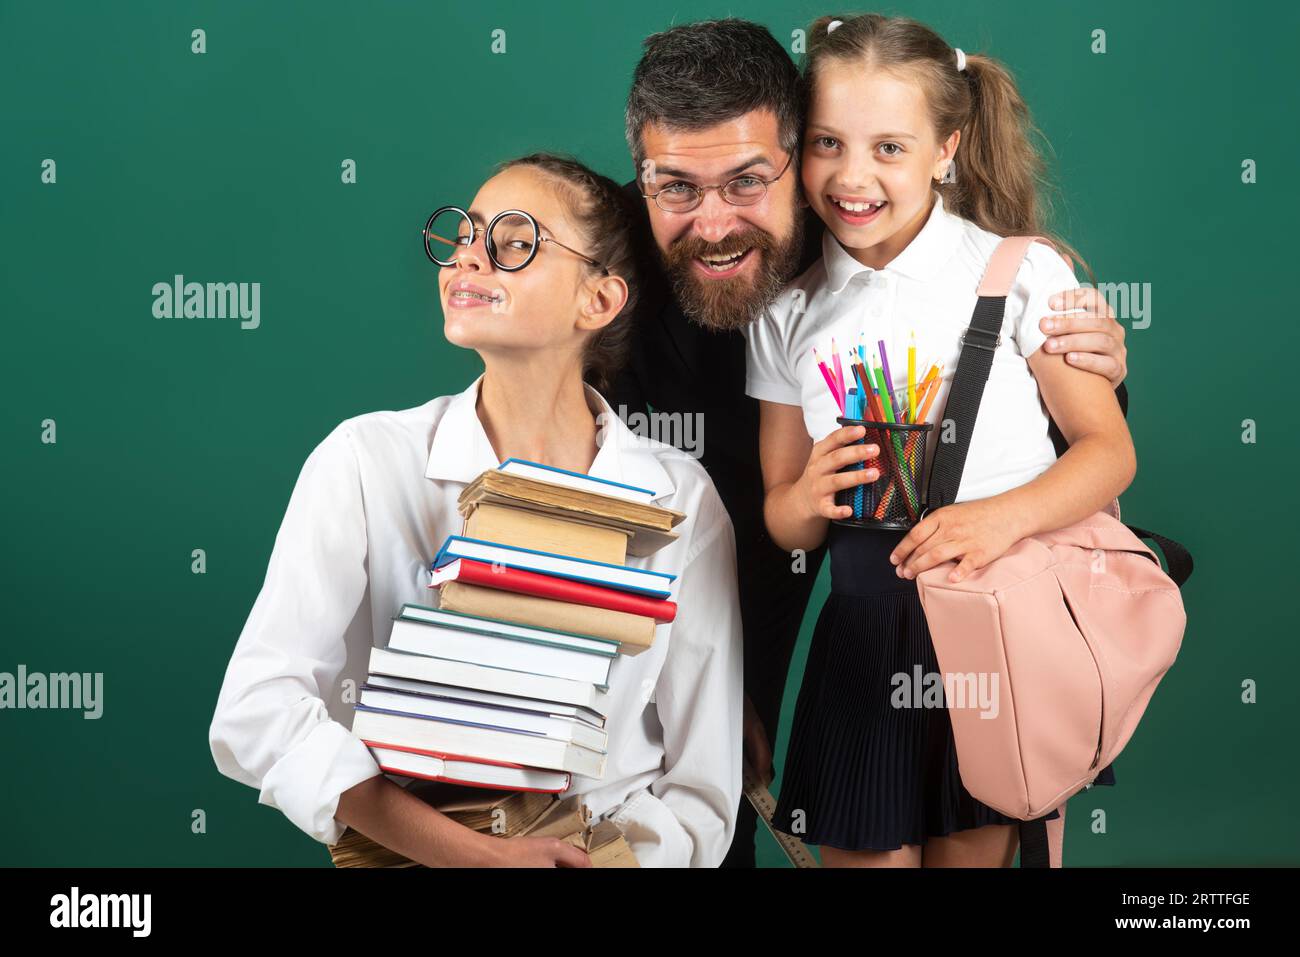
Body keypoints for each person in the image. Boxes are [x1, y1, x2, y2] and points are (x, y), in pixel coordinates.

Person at [608, 17, 1130, 866]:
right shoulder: (777, 310)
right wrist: (806, 500)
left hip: (991, 629)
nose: (853, 175)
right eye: (829, 145)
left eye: (890, 147)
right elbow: (783, 513)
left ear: (945, 148)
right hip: (845, 637)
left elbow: (1097, 445)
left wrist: (1004, 513)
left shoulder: (1016, 271)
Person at [207, 153, 744, 867]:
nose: (468, 257)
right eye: (463, 235)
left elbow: (701, 786)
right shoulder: (366, 460)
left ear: (600, 299)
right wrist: (470, 855)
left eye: (515, 241)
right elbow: (258, 709)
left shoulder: (679, 499)